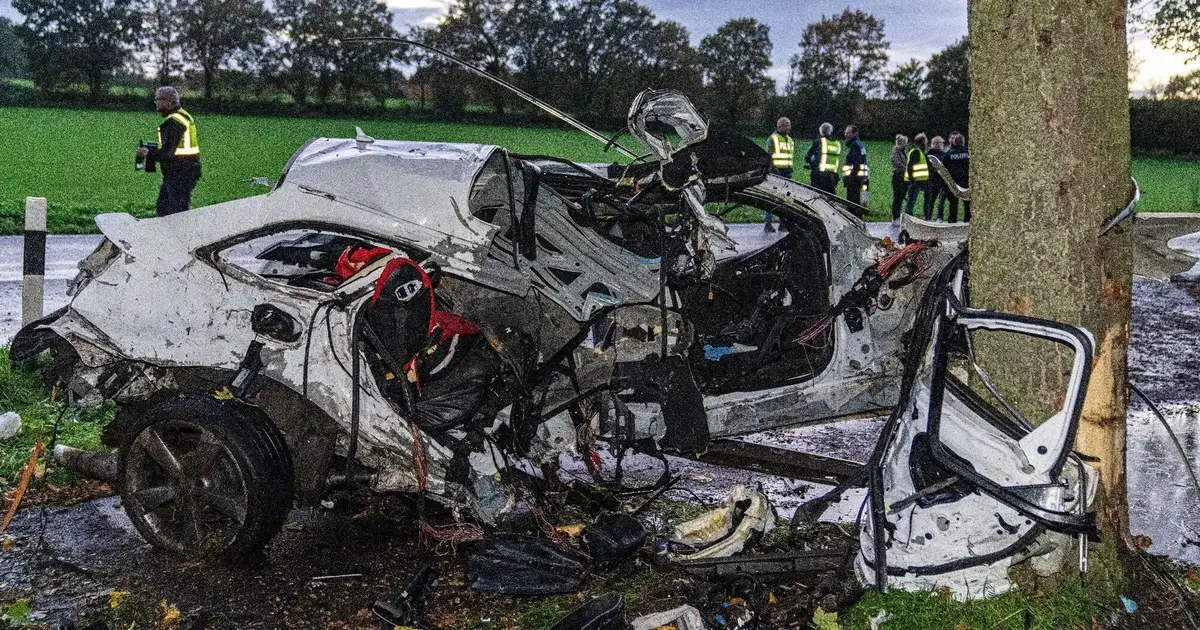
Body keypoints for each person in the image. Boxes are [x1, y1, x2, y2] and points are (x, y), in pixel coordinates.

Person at [137, 86, 201, 217]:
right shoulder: (183, 116)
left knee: (175, 213)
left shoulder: (174, 122)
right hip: (184, 170)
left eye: (158, 99)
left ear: (168, 101)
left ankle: (182, 230)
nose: (155, 103)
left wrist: (148, 153)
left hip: (180, 173)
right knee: (165, 208)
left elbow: (168, 153)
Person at [763, 117, 794, 232]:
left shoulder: (790, 140)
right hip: (776, 172)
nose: (788, 127)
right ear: (779, 126)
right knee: (771, 198)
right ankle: (768, 223)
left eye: (789, 125)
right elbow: (769, 156)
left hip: (787, 172)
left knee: (784, 200)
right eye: (786, 125)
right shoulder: (773, 138)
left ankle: (783, 223)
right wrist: (773, 169)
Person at [942, 132, 971, 223]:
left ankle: (952, 222)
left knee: (953, 204)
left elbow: (944, 169)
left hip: (953, 182)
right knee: (967, 203)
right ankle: (967, 222)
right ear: (963, 142)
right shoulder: (968, 152)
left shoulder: (948, 154)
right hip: (966, 182)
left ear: (954, 142)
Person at [804, 122, 840, 194]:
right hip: (833, 175)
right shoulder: (837, 144)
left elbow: (808, 157)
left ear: (821, 131)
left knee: (816, 195)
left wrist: (811, 164)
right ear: (831, 131)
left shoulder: (819, 142)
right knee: (831, 196)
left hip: (819, 176)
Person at [904, 133, 932, 219]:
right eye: (925, 141)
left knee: (916, 200)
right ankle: (908, 217)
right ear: (922, 141)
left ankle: (926, 217)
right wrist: (912, 179)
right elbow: (910, 166)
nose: (926, 142)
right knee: (912, 200)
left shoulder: (920, 152)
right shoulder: (916, 152)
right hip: (916, 180)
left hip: (922, 180)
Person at [841, 125, 869, 211]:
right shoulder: (859, 144)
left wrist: (848, 176)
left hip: (854, 178)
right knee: (856, 201)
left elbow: (854, 163)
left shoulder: (855, 146)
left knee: (852, 202)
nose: (845, 135)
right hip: (859, 177)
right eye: (845, 132)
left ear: (855, 134)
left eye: (848, 133)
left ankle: (853, 217)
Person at [890, 134, 909, 227]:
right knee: (897, 198)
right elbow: (897, 163)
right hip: (898, 176)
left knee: (901, 197)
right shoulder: (895, 151)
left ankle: (899, 216)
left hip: (904, 177)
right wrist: (907, 168)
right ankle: (895, 217)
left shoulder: (904, 151)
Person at [927, 135, 947, 221]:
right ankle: (928, 217)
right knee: (931, 200)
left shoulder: (944, 154)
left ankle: (940, 217)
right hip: (931, 180)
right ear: (933, 143)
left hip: (942, 180)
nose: (939, 144)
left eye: (940, 143)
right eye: (938, 143)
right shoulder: (928, 154)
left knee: (941, 201)